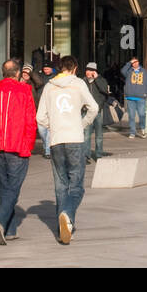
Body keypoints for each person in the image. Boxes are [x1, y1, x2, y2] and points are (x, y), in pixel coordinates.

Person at [35, 56, 100, 244]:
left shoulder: (49, 86)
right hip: (74, 138)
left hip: (56, 140)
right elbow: (93, 107)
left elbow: (40, 117)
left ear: (60, 68)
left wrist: (53, 126)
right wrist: (82, 124)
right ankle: (67, 214)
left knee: (61, 185)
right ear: (75, 68)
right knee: (77, 186)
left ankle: (64, 226)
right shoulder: (78, 84)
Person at [0, 59, 38, 245]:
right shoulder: (25, 91)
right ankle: (1, 219)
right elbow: (30, 121)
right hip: (17, 144)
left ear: (3, 72)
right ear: (18, 73)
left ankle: (10, 229)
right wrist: (28, 143)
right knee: (13, 188)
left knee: (4, 188)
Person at [83, 62, 110, 160]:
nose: (87, 72)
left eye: (90, 70)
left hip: (98, 112)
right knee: (86, 135)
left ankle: (98, 154)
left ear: (94, 72)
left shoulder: (101, 80)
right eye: (87, 70)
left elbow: (104, 91)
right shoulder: (83, 81)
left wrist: (97, 78)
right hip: (86, 111)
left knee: (99, 135)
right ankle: (86, 155)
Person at [120, 57, 147, 137]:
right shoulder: (129, 72)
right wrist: (129, 63)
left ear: (138, 62)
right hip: (130, 97)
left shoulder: (144, 72)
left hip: (141, 97)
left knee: (141, 114)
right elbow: (122, 71)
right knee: (131, 116)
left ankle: (143, 129)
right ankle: (132, 132)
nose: (135, 63)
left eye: (136, 61)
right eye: (133, 62)